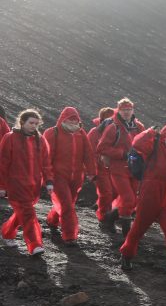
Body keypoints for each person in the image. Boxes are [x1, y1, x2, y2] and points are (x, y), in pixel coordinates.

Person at [118, 123, 166, 273]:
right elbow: (137, 143)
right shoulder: (154, 145)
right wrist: (151, 131)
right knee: (139, 227)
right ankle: (126, 254)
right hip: (150, 193)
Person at [0, 109, 54, 256]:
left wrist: (49, 181)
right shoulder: (9, 138)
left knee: (22, 213)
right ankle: (35, 244)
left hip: (33, 186)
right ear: (22, 122)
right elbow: (3, 164)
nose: (34, 126)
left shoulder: (41, 140)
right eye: (31, 123)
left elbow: (46, 162)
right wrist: (2, 186)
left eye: (36, 123)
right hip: (16, 185)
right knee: (29, 215)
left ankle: (6, 233)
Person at [42, 107, 96, 246]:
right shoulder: (52, 133)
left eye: (75, 119)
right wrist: (47, 177)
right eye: (70, 119)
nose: (72, 122)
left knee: (68, 203)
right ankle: (70, 235)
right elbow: (46, 157)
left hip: (76, 177)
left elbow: (88, 154)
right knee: (67, 205)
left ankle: (52, 220)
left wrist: (91, 171)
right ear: (62, 119)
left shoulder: (81, 133)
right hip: (58, 176)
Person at [97, 98, 144, 235]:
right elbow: (102, 148)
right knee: (128, 198)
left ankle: (109, 219)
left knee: (133, 200)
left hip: (135, 169)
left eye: (129, 109)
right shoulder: (113, 128)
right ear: (118, 110)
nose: (127, 112)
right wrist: (123, 154)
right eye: (124, 110)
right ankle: (126, 232)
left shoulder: (138, 127)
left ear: (133, 110)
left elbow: (145, 144)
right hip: (118, 169)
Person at [87, 107, 116, 223]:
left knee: (114, 192)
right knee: (107, 192)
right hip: (99, 169)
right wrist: (91, 171)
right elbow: (89, 153)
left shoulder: (117, 132)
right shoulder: (95, 133)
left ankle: (100, 205)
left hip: (113, 169)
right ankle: (104, 218)